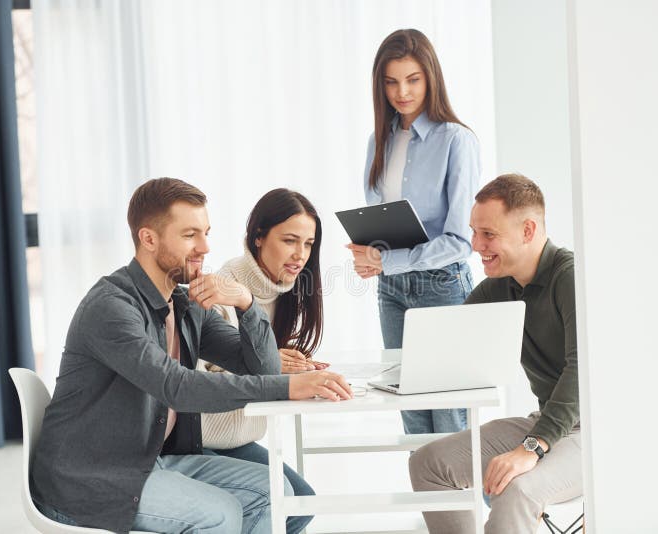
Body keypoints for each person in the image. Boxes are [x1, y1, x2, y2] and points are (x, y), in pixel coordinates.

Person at [29, 178, 352, 534]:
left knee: (275, 494)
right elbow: (176, 386)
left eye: (206, 233)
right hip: (92, 477)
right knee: (220, 514)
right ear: (148, 238)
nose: (204, 247)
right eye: (190, 235)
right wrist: (290, 387)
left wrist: (245, 302)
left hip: (150, 460)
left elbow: (261, 368)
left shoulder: (184, 304)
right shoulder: (112, 307)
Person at [408, 174, 581, 533]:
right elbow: (443, 347)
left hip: (595, 432)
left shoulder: (571, 277)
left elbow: (581, 373)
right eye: (473, 232)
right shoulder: (497, 289)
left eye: (488, 234)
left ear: (528, 230)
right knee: (428, 463)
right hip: (548, 422)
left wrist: (531, 448)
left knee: (515, 488)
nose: (475, 244)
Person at [348, 28, 480, 435]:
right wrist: (368, 254)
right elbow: (379, 216)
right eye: (391, 81)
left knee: (450, 420)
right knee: (413, 417)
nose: (401, 92)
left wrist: (388, 260)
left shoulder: (456, 140)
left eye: (412, 79)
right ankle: (431, 503)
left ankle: (472, 502)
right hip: (391, 291)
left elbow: (461, 241)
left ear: (431, 78)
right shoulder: (378, 141)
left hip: (442, 287)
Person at [196, 188, 329, 534]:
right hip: (204, 439)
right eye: (289, 240)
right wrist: (269, 365)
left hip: (238, 439)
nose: (300, 254)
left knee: (300, 503)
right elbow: (199, 377)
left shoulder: (285, 291)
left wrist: (288, 364)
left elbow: (266, 362)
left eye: (308, 244)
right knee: (285, 502)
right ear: (258, 237)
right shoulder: (225, 288)